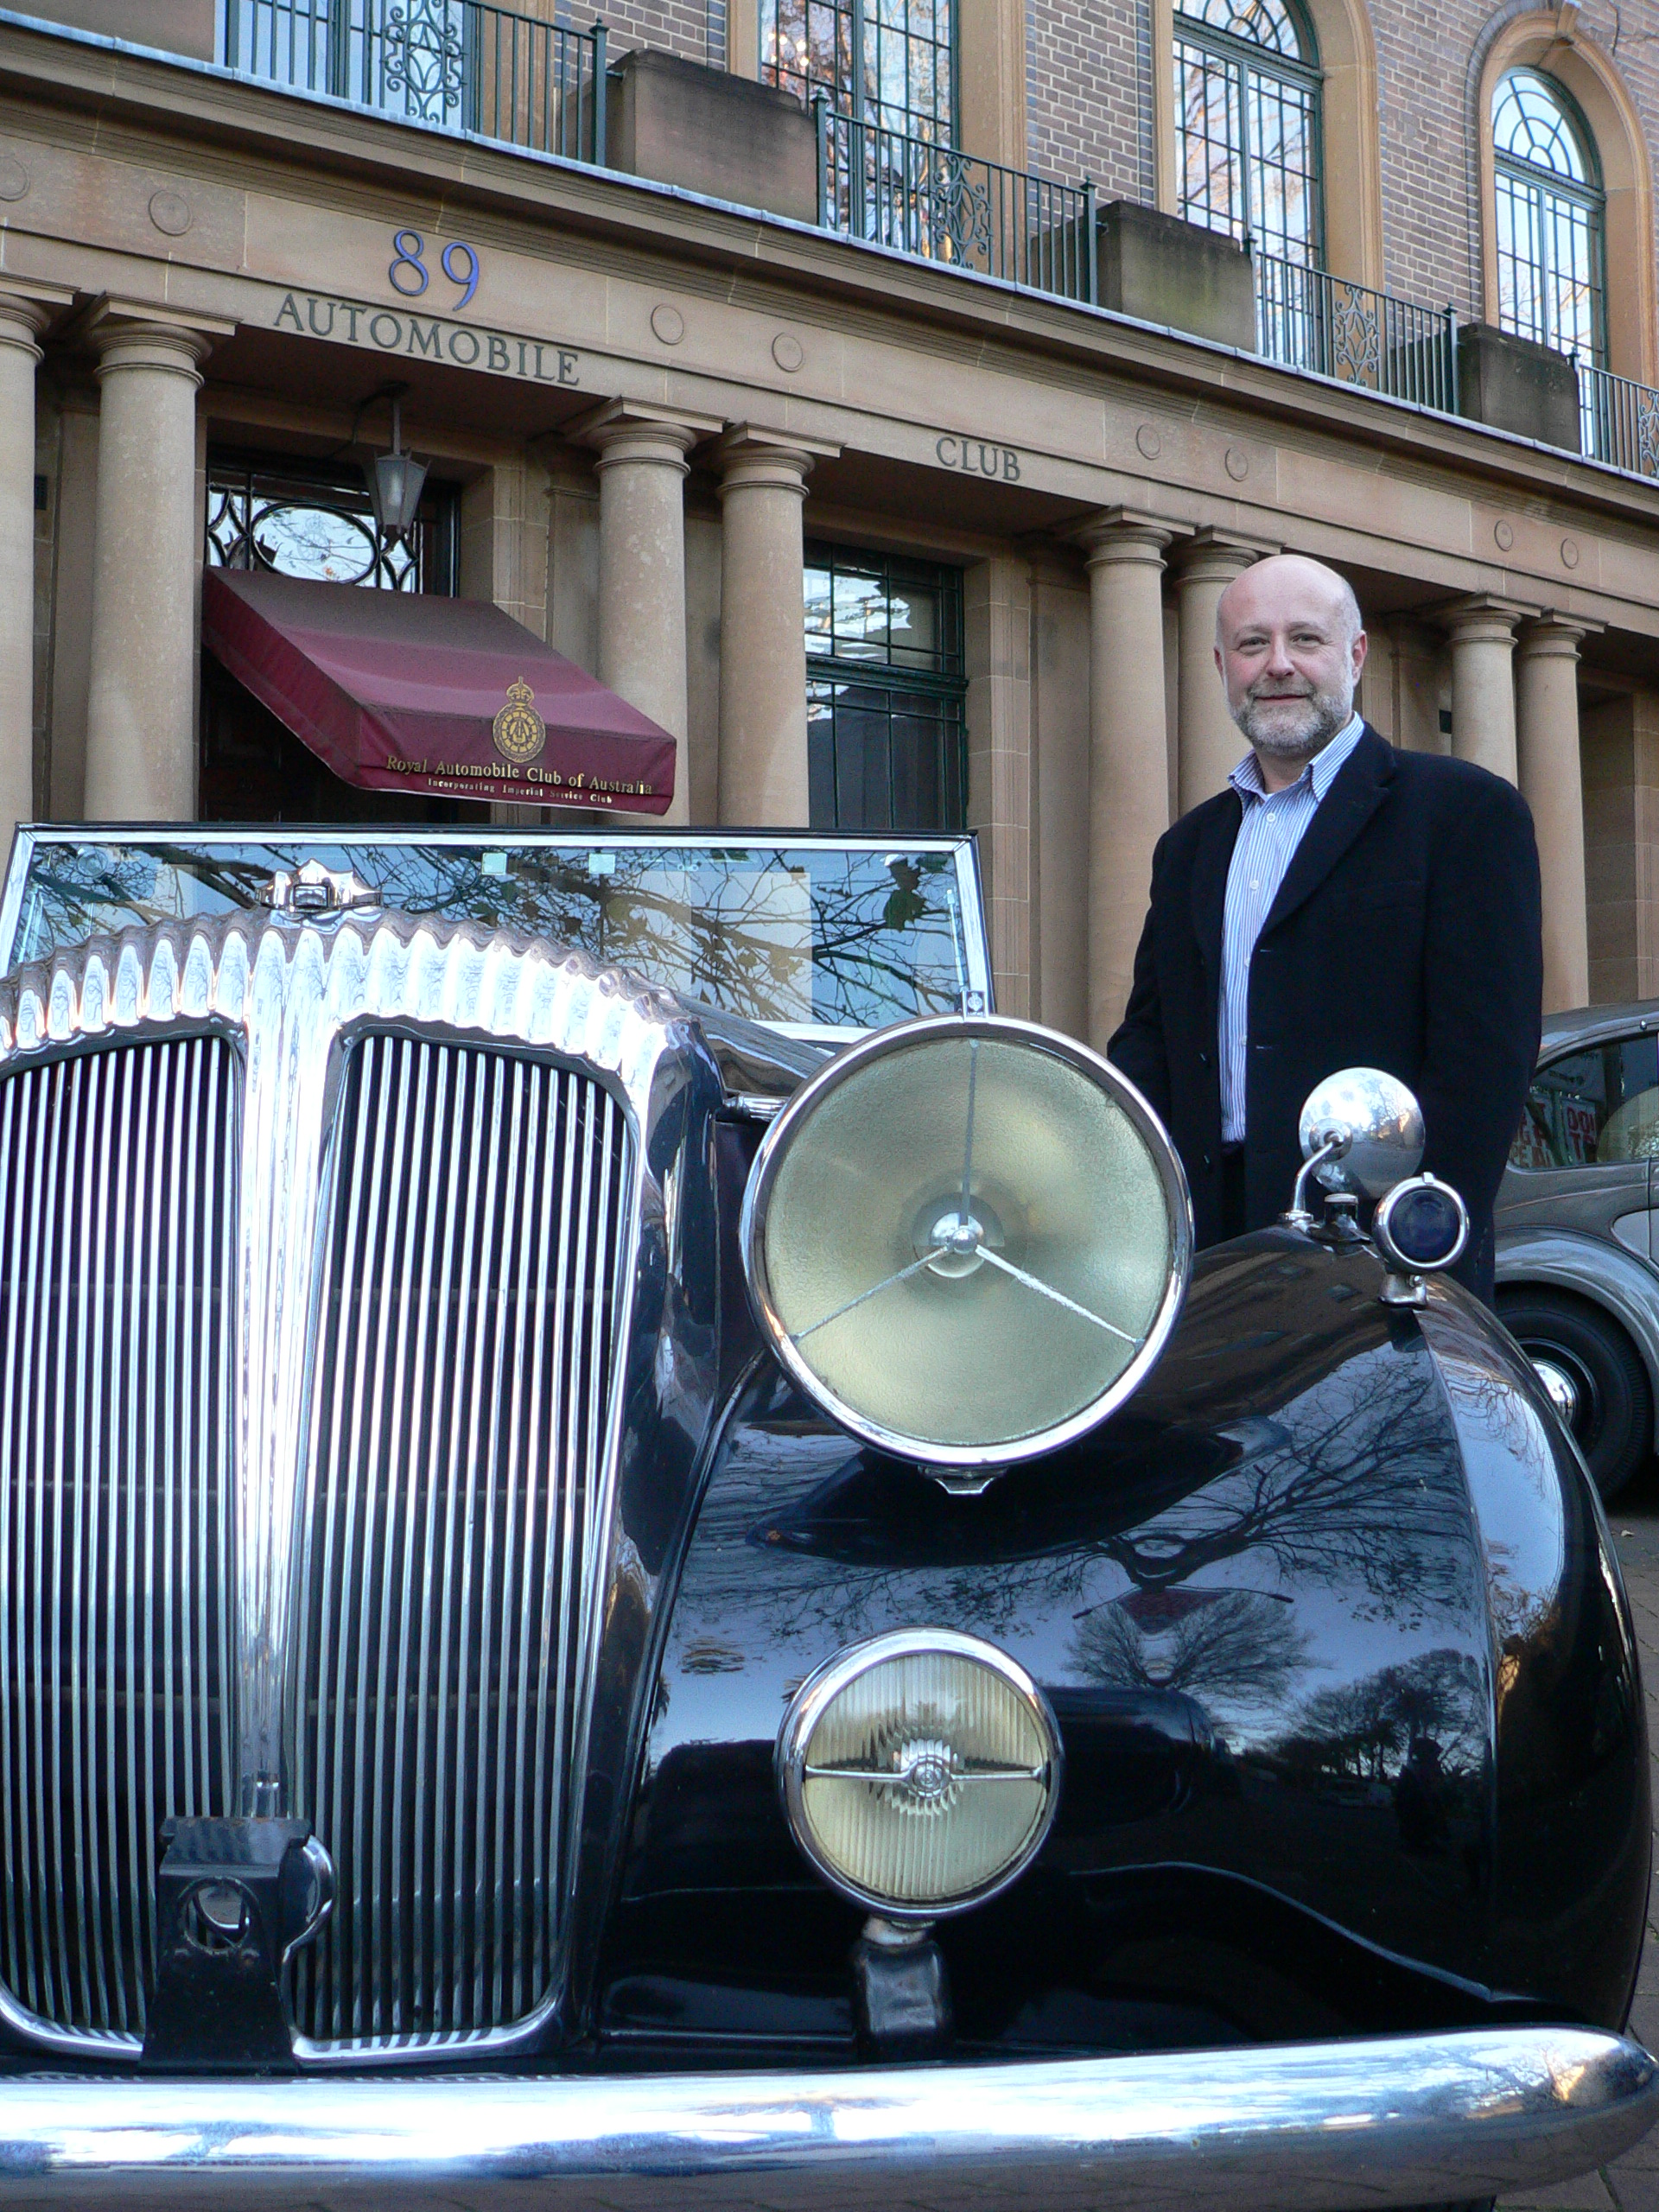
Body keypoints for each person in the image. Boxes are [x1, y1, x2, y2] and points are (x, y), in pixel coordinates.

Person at [1108, 551, 1541, 1300]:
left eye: (1304, 640)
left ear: (1356, 654)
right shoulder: (1187, 850)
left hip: (1379, 1250)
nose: (1278, 665)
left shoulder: (1463, 812)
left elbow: (1485, 1064)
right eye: (1252, 645)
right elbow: (1151, 1042)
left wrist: (1414, 1237)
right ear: (1221, 665)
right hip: (1207, 1249)